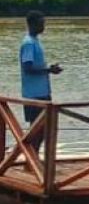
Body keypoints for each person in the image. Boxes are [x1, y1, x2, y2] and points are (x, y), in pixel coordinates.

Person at [20, 11, 61, 153]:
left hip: (42, 92)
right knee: (37, 129)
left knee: (43, 129)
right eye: (41, 23)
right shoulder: (28, 43)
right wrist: (49, 70)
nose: (43, 26)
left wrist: (49, 70)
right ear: (32, 24)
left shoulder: (36, 41)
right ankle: (32, 160)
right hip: (34, 94)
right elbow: (27, 67)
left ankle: (32, 159)